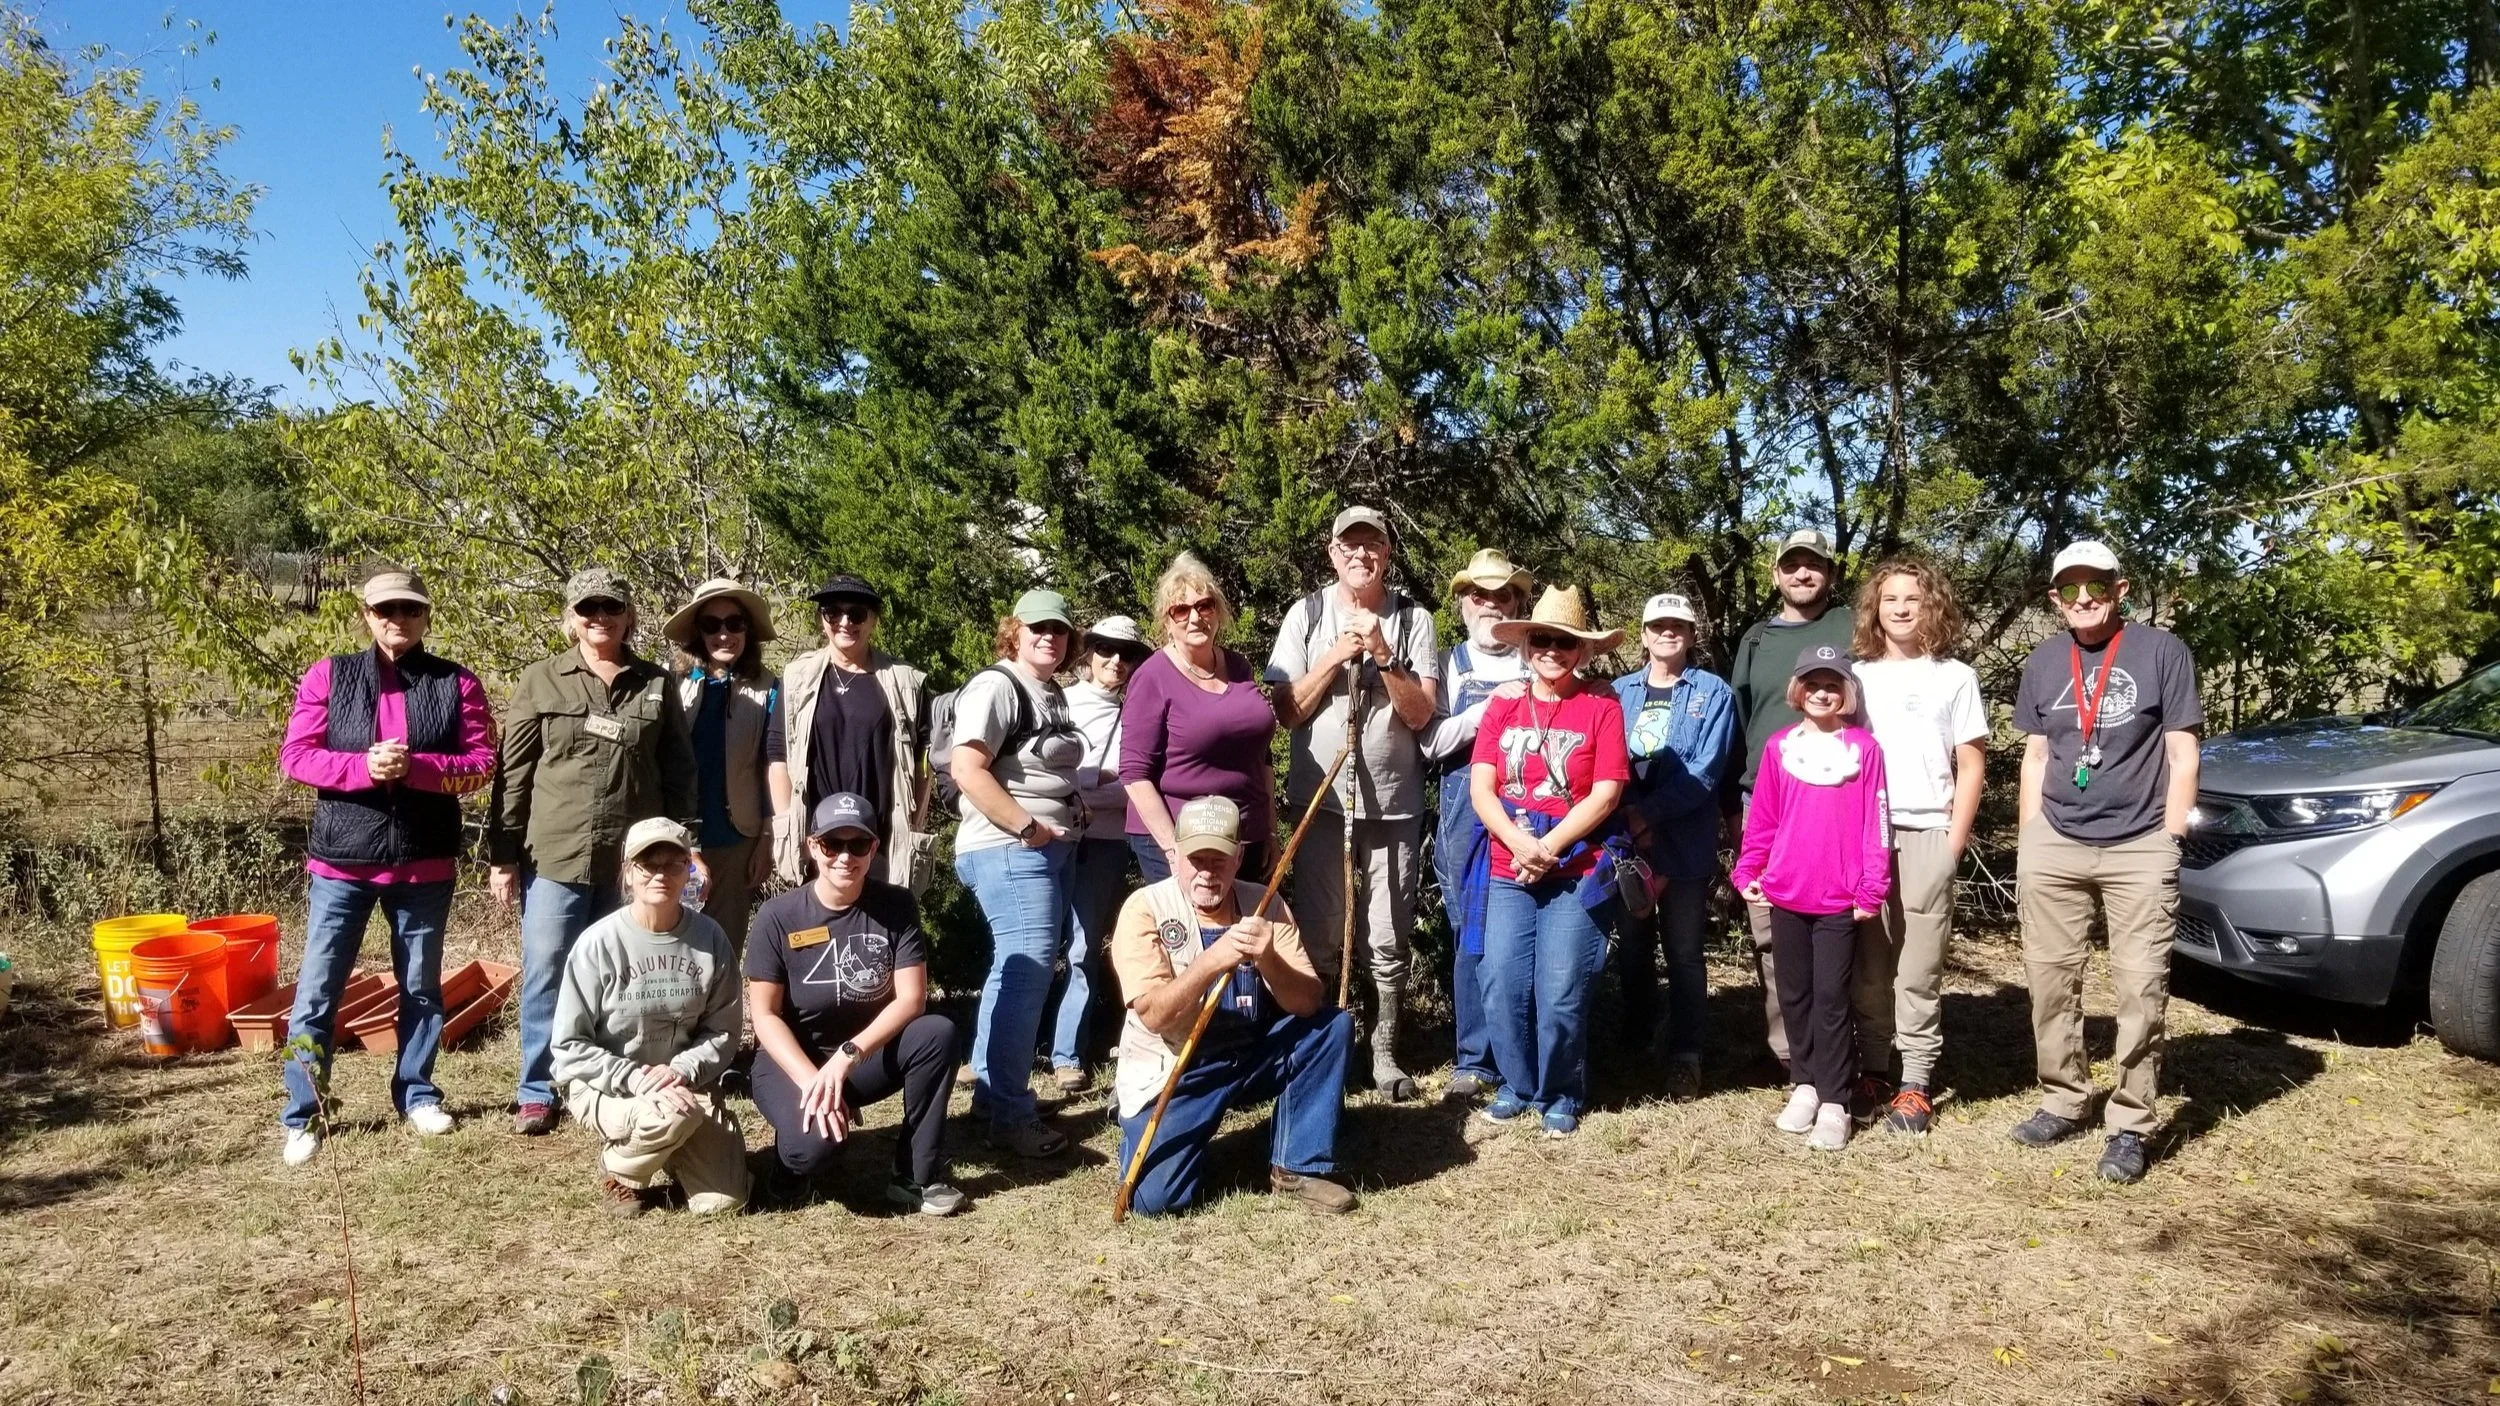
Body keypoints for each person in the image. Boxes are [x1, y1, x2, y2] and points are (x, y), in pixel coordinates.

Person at [274, 569, 496, 1165]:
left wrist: (417, 769)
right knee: (317, 991)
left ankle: (417, 1093)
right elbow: (296, 757)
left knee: (421, 988)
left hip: (424, 864)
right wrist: (363, 768)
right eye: (385, 610)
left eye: (409, 609)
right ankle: (304, 1112)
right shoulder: (329, 675)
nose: (398, 619)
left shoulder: (457, 683)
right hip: (342, 864)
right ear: (367, 615)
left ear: (426, 617)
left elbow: (481, 765)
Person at [2009, 540, 2202, 1185]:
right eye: (2070, 588)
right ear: (2055, 598)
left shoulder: (2162, 652)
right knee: (2050, 980)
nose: (2084, 598)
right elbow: (2036, 756)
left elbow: (2182, 752)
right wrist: (2030, 839)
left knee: (2141, 987)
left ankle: (2130, 1123)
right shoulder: (2044, 660)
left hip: (2140, 842)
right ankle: (2064, 1099)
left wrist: (2170, 836)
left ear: (2120, 590)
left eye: (2096, 585)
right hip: (2055, 840)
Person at [490, 567, 702, 1136]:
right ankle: (537, 1089)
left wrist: (686, 846)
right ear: (572, 618)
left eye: (611, 607)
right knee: (547, 970)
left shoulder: (656, 684)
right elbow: (513, 774)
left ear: (629, 616)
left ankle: (608, 1081)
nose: (600, 618)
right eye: (588, 609)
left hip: (634, 864)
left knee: (622, 975)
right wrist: (502, 855)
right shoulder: (541, 680)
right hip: (555, 855)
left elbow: (679, 773)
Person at [1265, 506, 1442, 1100]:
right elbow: (1287, 710)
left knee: (1387, 936)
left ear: (1387, 554)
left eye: (1372, 545)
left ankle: (1383, 1052)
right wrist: (1334, 657)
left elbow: (1420, 715)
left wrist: (1385, 656)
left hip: (1394, 805)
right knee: (1319, 932)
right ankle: (1321, 1048)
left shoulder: (1414, 619)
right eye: (1350, 546)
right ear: (1333, 553)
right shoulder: (1307, 614)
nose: (1361, 555)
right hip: (1321, 803)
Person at [1111, 795, 1357, 1217]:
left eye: (1219, 860)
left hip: (1248, 1055)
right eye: (1196, 859)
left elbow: (1307, 1002)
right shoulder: (1146, 909)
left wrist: (1268, 958)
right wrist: (1212, 961)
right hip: (1176, 1069)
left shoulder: (1266, 904)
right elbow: (1152, 1015)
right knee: (1156, 1202)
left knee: (1331, 1027)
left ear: (1239, 857)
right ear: (1176, 855)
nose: (1207, 872)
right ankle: (1143, 1136)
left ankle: (1296, 1165)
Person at [745, 793, 964, 1215]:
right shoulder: (778, 916)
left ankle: (915, 1177)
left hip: (860, 1056)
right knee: (813, 1150)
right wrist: (814, 1081)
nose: (845, 857)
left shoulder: (896, 906)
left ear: (874, 848)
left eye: (858, 844)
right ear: (813, 847)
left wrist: (847, 1057)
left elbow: (912, 999)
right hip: (792, 1061)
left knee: (937, 1033)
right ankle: (788, 1169)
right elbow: (764, 1015)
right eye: (832, 844)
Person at [1468, 587, 1630, 1138]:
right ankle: (1517, 1084)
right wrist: (1520, 843)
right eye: (1542, 639)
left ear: (1582, 650)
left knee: (1561, 989)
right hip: (1508, 866)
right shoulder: (1503, 706)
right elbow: (1482, 787)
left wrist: (1548, 847)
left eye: (1565, 642)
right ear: (1526, 645)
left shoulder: (1602, 707)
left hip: (1575, 869)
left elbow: (1606, 793)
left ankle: (1561, 1090)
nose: (1552, 650)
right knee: (1501, 982)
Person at [1731, 644, 1892, 1153]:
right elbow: (1763, 818)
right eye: (1813, 684)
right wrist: (1748, 867)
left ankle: (1835, 1100)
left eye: (1832, 685)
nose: (1822, 693)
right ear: (1798, 691)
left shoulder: (1864, 750)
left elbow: (1877, 824)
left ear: (1846, 693)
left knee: (1831, 999)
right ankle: (1804, 1083)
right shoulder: (1780, 747)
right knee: (1794, 994)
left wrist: (1872, 886)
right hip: (1786, 892)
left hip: (1840, 897)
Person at [550, 817, 748, 1217]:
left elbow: (723, 1031)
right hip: (607, 1085)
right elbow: (568, 1045)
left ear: (688, 869)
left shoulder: (710, 939)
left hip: (683, 1083)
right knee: (672, 1116)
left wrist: (683, 1069)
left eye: (673, 864)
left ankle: (664, 1149)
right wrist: (637, 1079)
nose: (660, 874)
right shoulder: (597, 944)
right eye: (647, 864)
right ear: (628, 872)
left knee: (725, 1202)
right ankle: (620, 1170)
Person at [1851, 558, 1988, 1135]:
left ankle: (1916, 1081)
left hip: (1930, 831)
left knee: (1918, 966)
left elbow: (1971, 763)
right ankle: (1873, 1069)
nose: (1901, 608)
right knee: (1869, 964)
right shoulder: (1857, 677)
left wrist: (1952, 844)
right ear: (1874, 609)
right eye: (1890, 599)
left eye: (1913, 598)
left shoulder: (1954, 676)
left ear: (1932, 606)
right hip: (1865, 835)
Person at [951, 588, 1089, 1158]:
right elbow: (967, 769)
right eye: (1038, 627)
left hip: (1042, 851)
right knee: (1029, 971)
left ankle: (991, 1097)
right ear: (1015, 631)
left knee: (1012, 970)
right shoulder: (997, 686)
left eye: (1059, 629)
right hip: (1009, 850)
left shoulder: (1048, 691)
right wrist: (1028, 828)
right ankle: (1011, 1115)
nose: (1049, 637)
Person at [1728, 528, 1856, 1080]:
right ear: (1776, 574)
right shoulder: (1756, 639)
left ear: (1830, 572)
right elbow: (1741, 721)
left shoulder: (1853, 625)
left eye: (1814, 565)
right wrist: (1734, 802)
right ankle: (1789, 1052)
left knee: (1840, 926)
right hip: (1765, 801)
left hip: (1838, 799)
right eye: (1792, 565)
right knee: (1771, 931)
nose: (1803, 573)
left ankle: (1845, 1050)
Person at [1609, 592, 1736, 1101]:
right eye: (1658, 625)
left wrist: (1649, 814)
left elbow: (1705, 772)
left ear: (1691, 635)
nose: (1668, 633)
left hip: (1683, 844)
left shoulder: (1713, 693)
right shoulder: (1618, 692)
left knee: (1683, 952)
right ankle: (1636, 1037)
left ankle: (1687, 1053)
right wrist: (1627, 818)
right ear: (1643, 634)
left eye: (1678, 626)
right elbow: (1603, 760)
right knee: (1632, 945)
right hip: (1626, 844)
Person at [1420, 547, 1533, 1102]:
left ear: (1518, 604)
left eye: (1502, 596)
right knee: (1471, 930)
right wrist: (1487, 713)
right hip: (1466, 810)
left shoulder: (1538, 656)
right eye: (1479, 596)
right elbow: (1430, 743)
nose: (1491, 605)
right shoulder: (1447, 664)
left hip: (1531, 807)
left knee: (1527, 927)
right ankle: (1474, 1059)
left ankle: (1524, 1056)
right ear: (1463, 603)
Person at [767, 573, 935, 896]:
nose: (844, 622)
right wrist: (787, 821)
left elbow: (923, 761)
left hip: (880, 842)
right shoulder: (798, 677)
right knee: (818, 922)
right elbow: (778, 755)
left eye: (856, 614)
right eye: (833, 612)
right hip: (816, 840)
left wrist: (914, 823)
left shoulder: (906, 681)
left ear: (873, 620)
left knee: (878, 922)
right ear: (822, 619)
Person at [1120, 553, 1277, 883]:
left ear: (1218, 611)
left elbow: (1262, 756)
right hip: (1183, 840)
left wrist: (1270, 831)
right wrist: (1173, 850)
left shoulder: (1238, 667)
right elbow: (1134, 775)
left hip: (1244, 837)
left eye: (1204, 606)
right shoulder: (1152, 677)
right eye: (1181, 610)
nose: (1195, 618)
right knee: (1194, 919)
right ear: (1166, 622)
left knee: (1247, 919)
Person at [1050, 614, 1152, 1091]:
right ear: (1088, 652)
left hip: (1106, 841)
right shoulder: (1059, 702)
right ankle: (1003, 1053)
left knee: (1084, 946)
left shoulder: (1139, 710)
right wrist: (1100, 779)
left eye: (1127, 654)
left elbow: (1139, 785)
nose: (1115, 661)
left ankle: (1067, 1054)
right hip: (1052, 835)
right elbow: (1045, 775)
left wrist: (1087, 783)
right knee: (1030, 946)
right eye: (1106, 650)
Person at [664, 578, 779, 951]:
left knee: (724, 945)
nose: (724, 634)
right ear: (698, 632)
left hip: (736, 837)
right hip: (674, 836)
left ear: (747, 630)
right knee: (672, 943)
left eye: (734, 623)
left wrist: (767, 839)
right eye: (712, 625)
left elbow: (773, 766)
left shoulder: (768, 688)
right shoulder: (671, 684)